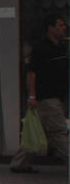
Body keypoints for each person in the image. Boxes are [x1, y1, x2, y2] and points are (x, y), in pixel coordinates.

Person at [11, 13, 69, 173]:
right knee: (58, 132)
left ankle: (19, 164)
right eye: (60, 25)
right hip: (47, 97)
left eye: (64, 25)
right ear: (50, 28)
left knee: (36, 129)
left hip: (57, 97)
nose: (64, 28)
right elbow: (32, 74)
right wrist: (32, 95)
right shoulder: (41, 48)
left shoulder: (61, 48)